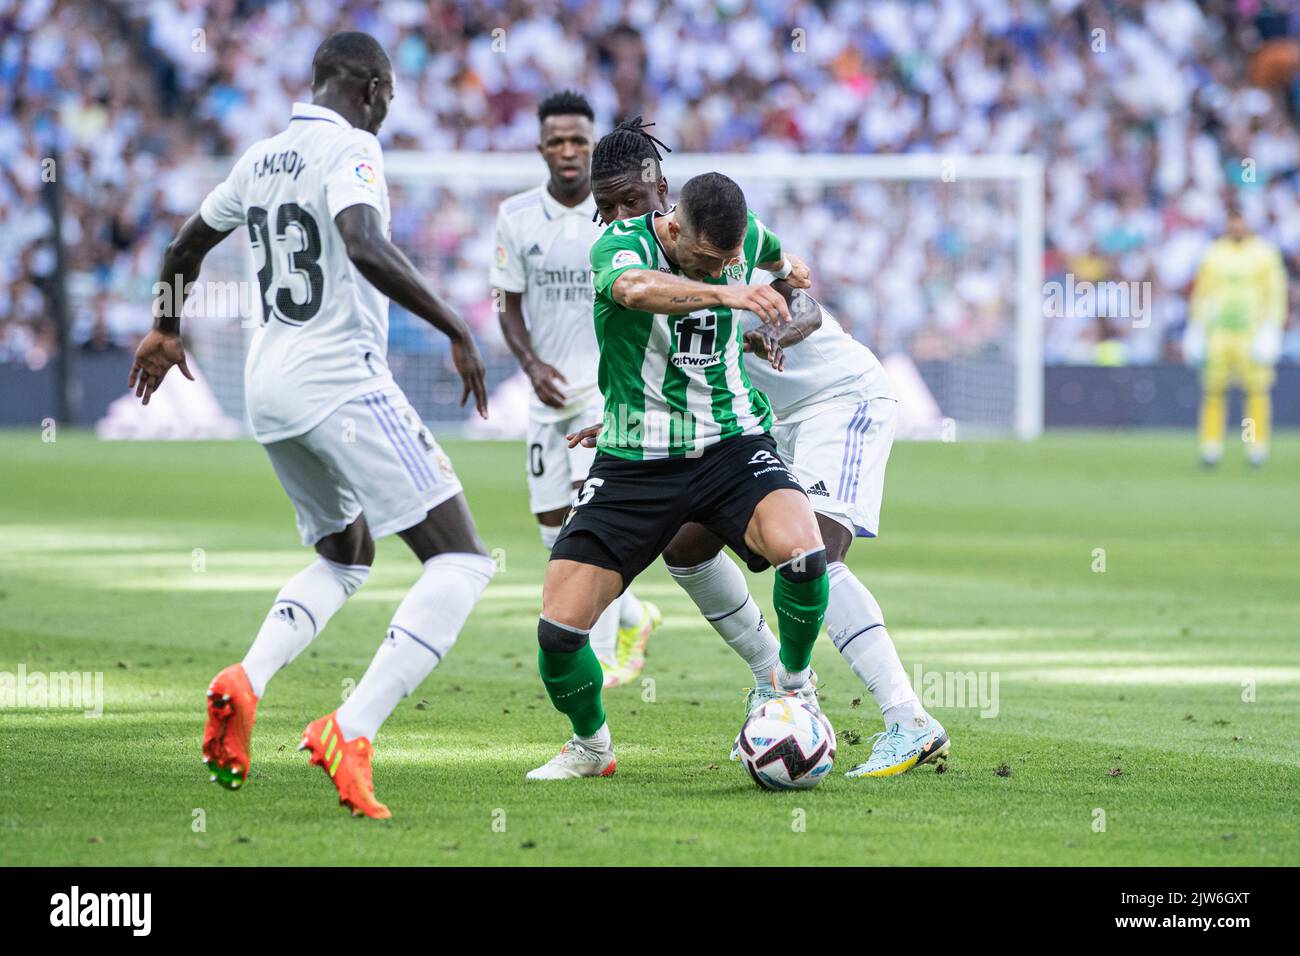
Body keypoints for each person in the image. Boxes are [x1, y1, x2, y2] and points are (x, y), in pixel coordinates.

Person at [129, 32, 494, 818]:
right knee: (461, 561)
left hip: (269, 387)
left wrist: (165, 327)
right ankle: (350, 729)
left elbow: (183, 244)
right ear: (367, 86)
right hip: (339, 380)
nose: (390, 111)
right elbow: (363, 242)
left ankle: (245, 683)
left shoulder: (259, 158)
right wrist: (455, 327)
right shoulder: (352, 149)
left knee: (347, 553)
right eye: (389, 95)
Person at [578, 122, 949, 777]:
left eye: (628, 205)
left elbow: (801, 292)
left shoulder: (724, 234)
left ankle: (908, 718)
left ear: (662, 195)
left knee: (815, 556)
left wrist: (774, 327)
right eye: (604, 208)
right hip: (760, 426)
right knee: (685, 544)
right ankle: (772, 679)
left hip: (838, 400)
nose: (616, 218)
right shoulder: (632, 262)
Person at [526, 161, 829, 780]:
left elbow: (791, 272)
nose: (723, 267)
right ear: (676, 229)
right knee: (559, 633)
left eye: (731, 260)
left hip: (732, 442)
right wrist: (728, 292)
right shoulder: (623, 242)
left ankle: (792, 685)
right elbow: (635, 292)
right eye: (709, 259)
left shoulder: (745, 241)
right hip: (637, 459)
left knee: (804, 552)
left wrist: (788, 280)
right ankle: (592, 747)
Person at [491, 92, 659, 689]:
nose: (568, 150)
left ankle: (610, 656)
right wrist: (531, 364)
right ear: (541, 147)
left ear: (594, 148)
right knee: (551, 529)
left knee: (597, 526)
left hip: (607, 394)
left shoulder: (622, 216)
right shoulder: (516, 217)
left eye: (578, 141)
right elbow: (507, 306)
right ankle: (637, 616)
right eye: (557, 141)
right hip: (548, 400)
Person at [1184, 208, 1287, 468]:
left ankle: (1255, 445)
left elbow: (1275, 293)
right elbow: (1203, 293)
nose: (1237, 228)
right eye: (1233, 223)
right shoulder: (1214, 253)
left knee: (1254, 391)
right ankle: (1211, 446)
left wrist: (1271, 329)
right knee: (1214, 390)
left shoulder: (1264, 254)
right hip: (1219, 333)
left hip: (1251, 332)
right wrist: (1196, 326)